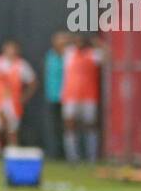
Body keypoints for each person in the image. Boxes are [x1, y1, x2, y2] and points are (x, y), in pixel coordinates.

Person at [61, 34, 103, 164]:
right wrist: (69, 39)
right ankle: (72, 156)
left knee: (90, 125)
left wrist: (99, 44)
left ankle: (91, 156)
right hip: (71, 95)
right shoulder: (69, 53)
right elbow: (59, 43)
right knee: (70, 124)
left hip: (89, 95)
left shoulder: (93, 54)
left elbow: (108, 56)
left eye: (81, 40)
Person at [0, 40, 37, 149]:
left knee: (12, 129)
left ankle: (12, 151)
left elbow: (33, 82)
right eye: (9, 49)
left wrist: (24, 97)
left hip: (14, 102)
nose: (11, 52)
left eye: (13, 49)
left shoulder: (22, 65)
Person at [43, 32, 69, 159]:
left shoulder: (70, 56)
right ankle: (55, 154)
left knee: (68, 126)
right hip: (53, 95)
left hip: (68, 96)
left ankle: (68, 154)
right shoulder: (50, 55)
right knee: (55, 127)